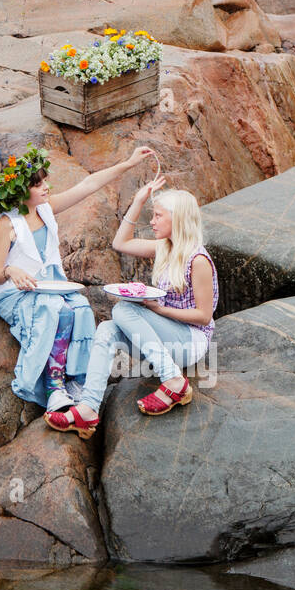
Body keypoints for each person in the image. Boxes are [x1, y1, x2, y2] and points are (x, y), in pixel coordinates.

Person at [0, 143, 156, 432]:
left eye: (44, 181)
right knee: (55, 311)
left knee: (80, 308)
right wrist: (10, 270)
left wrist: (127, 164)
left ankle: (76, 380)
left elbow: (89, 184)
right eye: (38, 184)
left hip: (51, 284)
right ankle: (53, 387)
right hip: (16, 292)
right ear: (19, 190)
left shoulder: (46, 209)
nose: (45, 187)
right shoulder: (8, 223)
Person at [47, 179, 219, 435]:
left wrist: (157, 310)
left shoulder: (198, 260)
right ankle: (88, 408)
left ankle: (172, 379)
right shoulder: (164, 248)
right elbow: (121, 243)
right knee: (106, 329)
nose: (152, 222)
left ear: (178, 219)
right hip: (163, 339)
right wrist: (139, 200)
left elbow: (204, 317)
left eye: (158, 216)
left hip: (190, 341)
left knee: (123, 310)